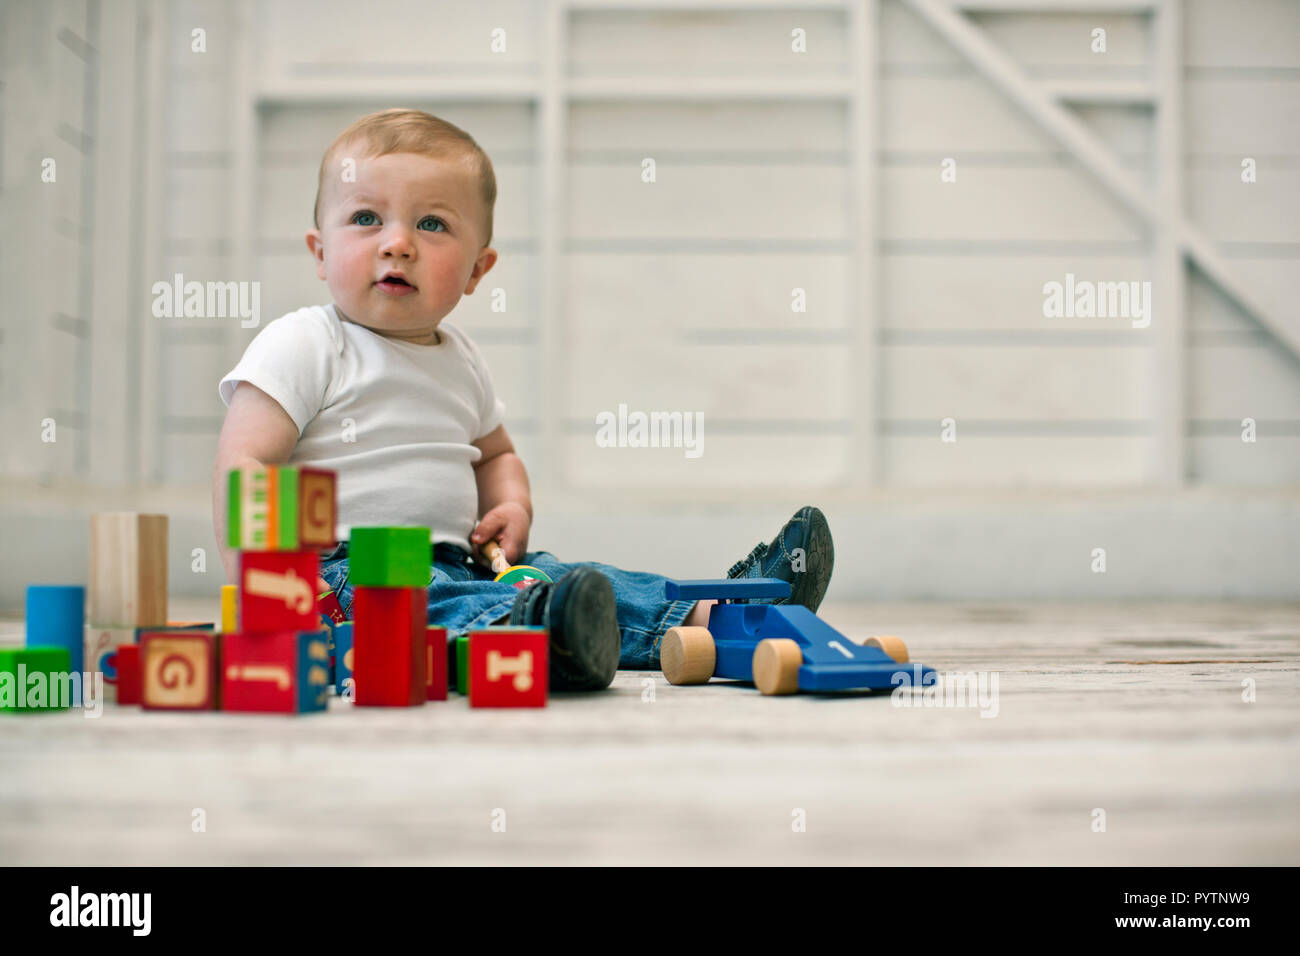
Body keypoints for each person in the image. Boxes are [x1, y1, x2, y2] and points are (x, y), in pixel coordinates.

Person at [213, 108, 833, 691]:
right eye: (367, 219)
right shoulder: (306, 343)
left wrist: (511, 503)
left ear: (477, 270)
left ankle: (725, 611)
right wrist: (262, 586)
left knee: (568, 577)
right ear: (320, 252)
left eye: (431, 224)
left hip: (461, 559)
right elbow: (246, 467)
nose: (397, 243)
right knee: (438, 605)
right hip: (345, 577)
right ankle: (530, 639)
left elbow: (495, 453)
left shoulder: (460, 358)